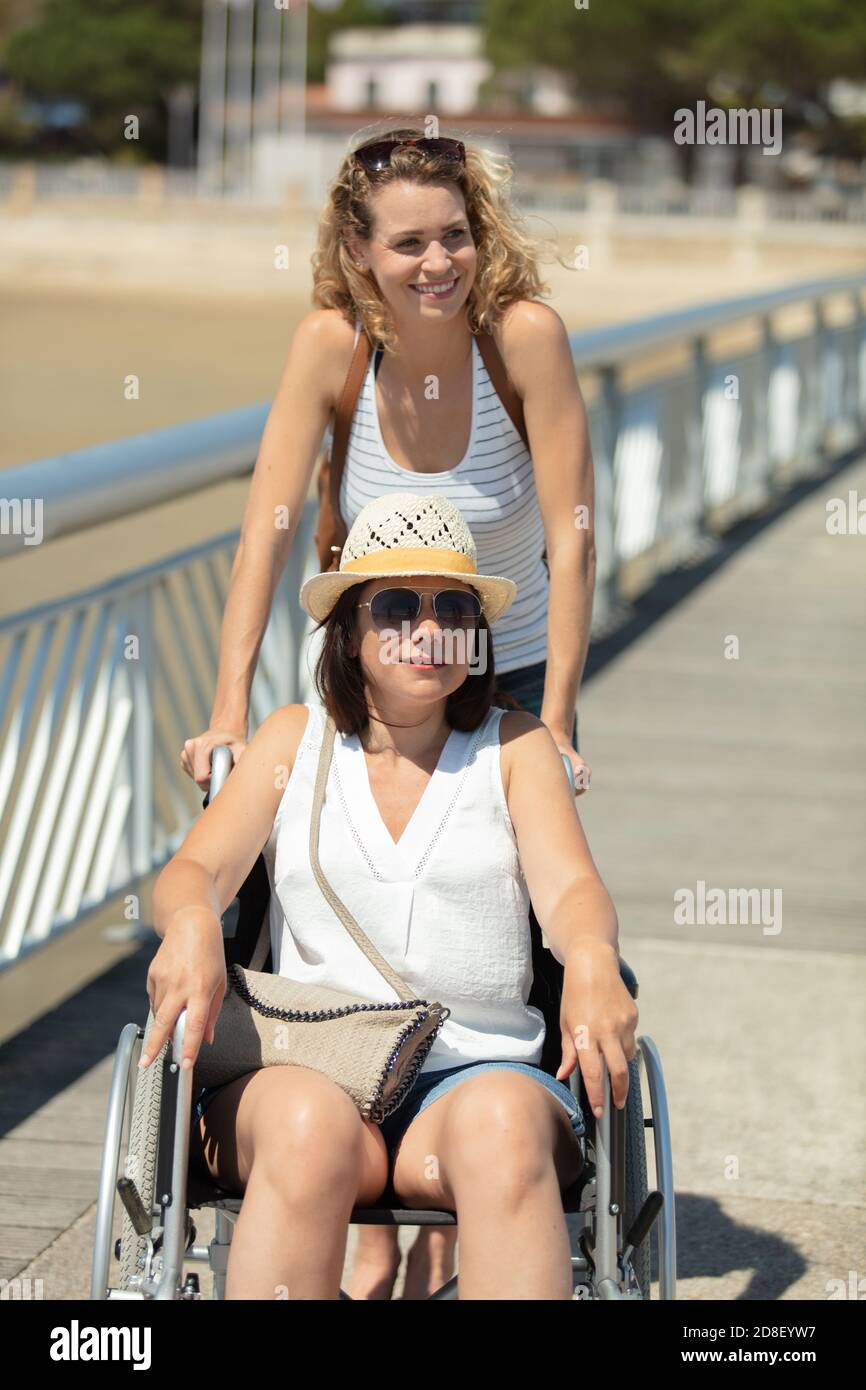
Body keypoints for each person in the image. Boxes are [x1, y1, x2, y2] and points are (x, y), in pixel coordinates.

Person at [180, 124, 596, 1296]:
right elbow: (266, 533)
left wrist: (554, 715)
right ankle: (355, 1203)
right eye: (407, 242)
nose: (437, 261)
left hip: (499, 656)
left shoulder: (521, 338)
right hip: (372, 650)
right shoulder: (333, 349)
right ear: (357, 252)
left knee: (495, 920)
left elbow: (571, 541)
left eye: (454, 235)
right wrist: (225, 709)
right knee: (323, 896)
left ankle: (467, 1174)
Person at [146, 494, 636, 1301]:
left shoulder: (513, 751)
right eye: (398, 605)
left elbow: (572, 888)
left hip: (473, 1080)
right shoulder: (291, 743)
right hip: (311, 1068)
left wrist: (589, 953)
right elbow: (193, 873)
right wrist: (195, 920)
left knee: (503, 1129)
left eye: (453, 606)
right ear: (347, 629)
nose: (428, 626)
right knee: (308, 1132)